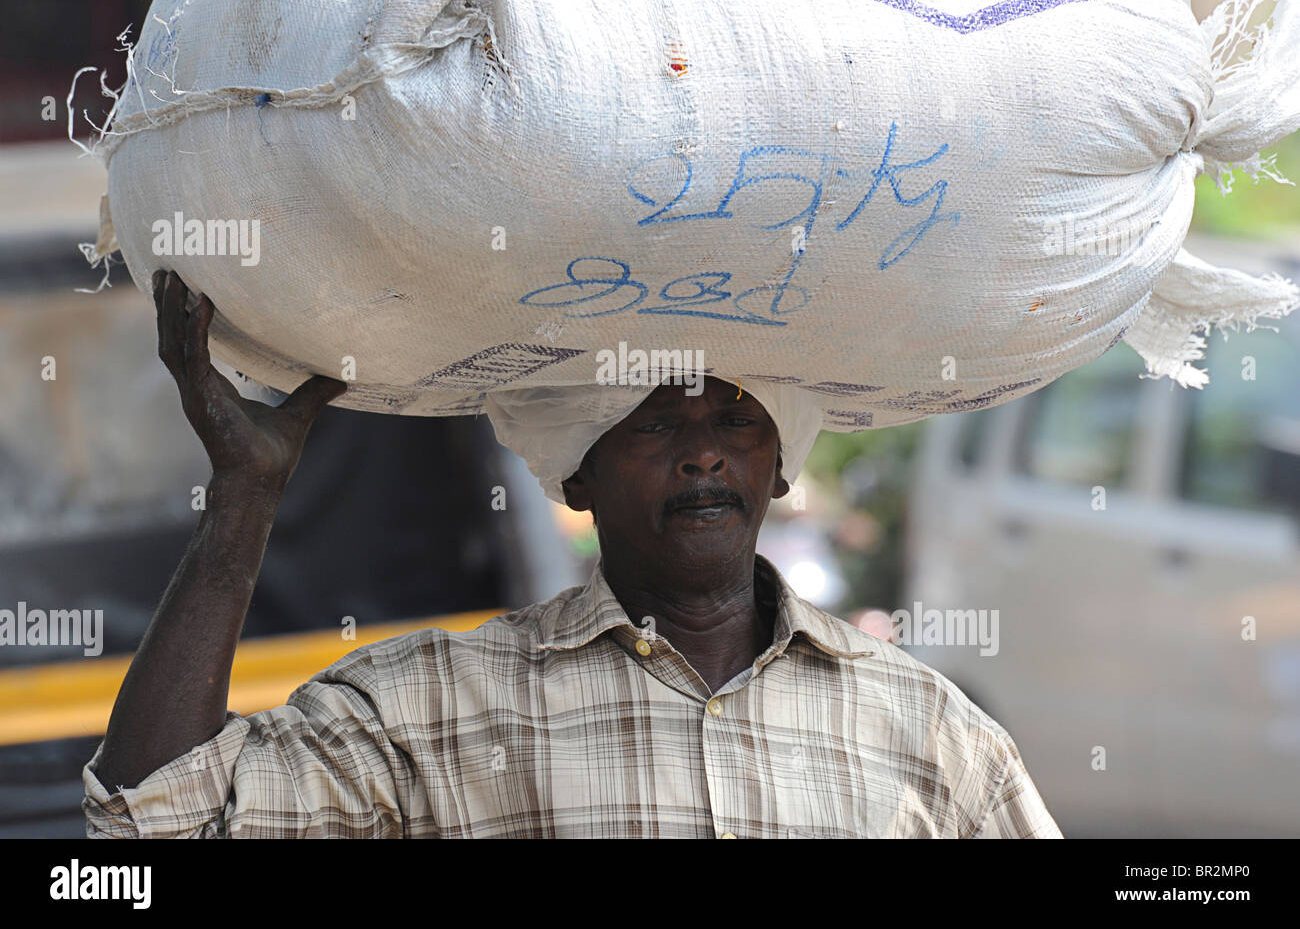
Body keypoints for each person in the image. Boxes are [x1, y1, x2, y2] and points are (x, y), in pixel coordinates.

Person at [82, 269, 1061, 838]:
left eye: (734, 416)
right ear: (576, 475)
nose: (704, 448)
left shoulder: (927, 731)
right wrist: (243, 502)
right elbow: (147, 831)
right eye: (652, 422)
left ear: (780, 465)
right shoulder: (441, 707)